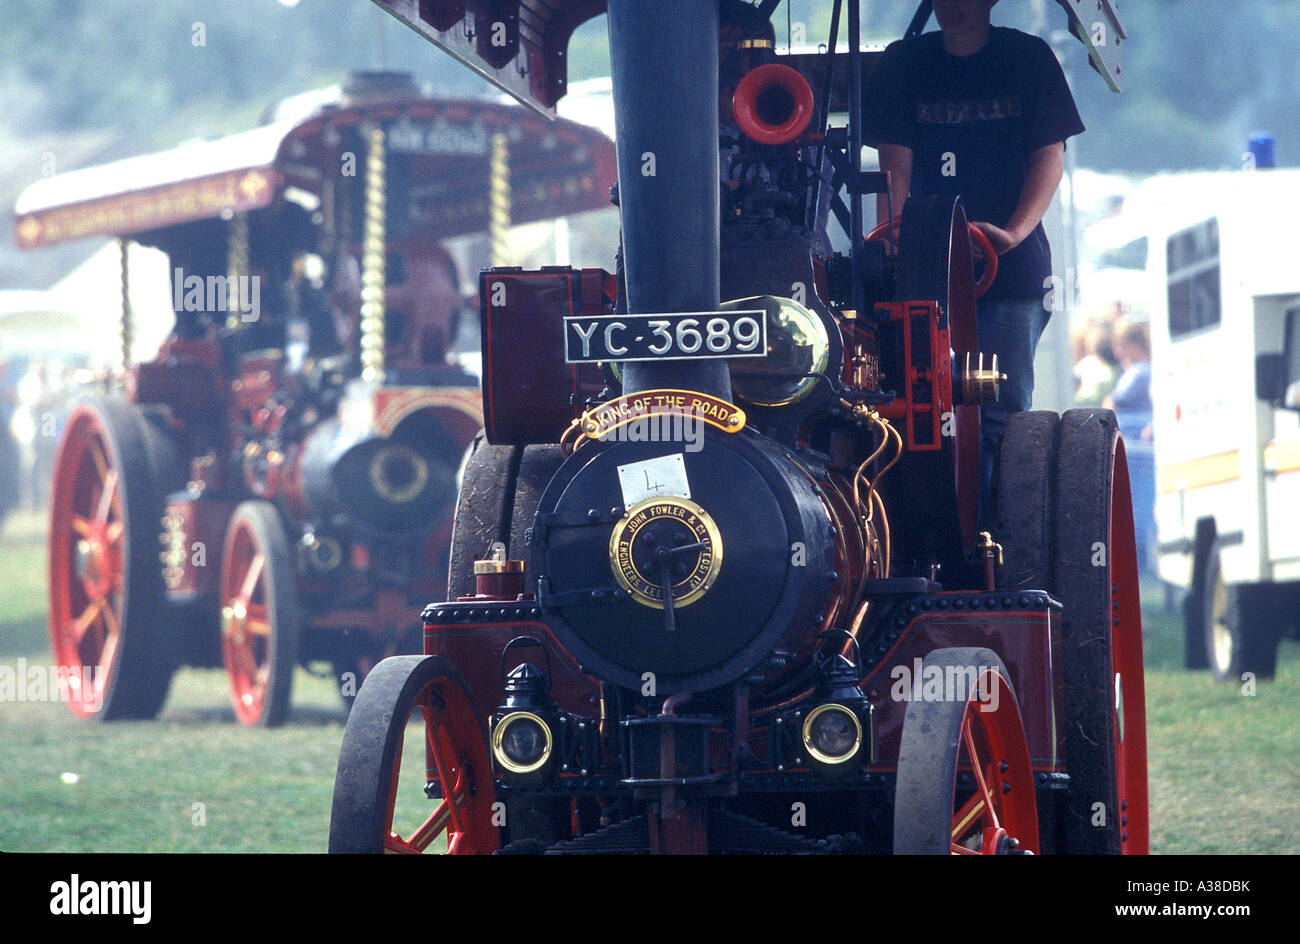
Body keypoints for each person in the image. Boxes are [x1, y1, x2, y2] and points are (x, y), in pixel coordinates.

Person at [860, 0, 1085, 522]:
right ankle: (921, 538)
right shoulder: (902, 63)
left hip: (1008, 277)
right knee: (912, 413)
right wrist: (895, 244)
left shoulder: (1028, 58)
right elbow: (895, 170)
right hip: (921, 278)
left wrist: (1011, 233)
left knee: (996, 420)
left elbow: (1049, 157)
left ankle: (995, 548)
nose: (950, 4)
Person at [1106, 319, 1155, 578]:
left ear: (1134, 345)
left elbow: (1113, 403)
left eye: (1121, 345)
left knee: (1137, 514)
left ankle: (1139, 568)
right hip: (1137, 460)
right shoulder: (1137, 372)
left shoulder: (1140, 372)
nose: (1117, 352)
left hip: (1138, 462)